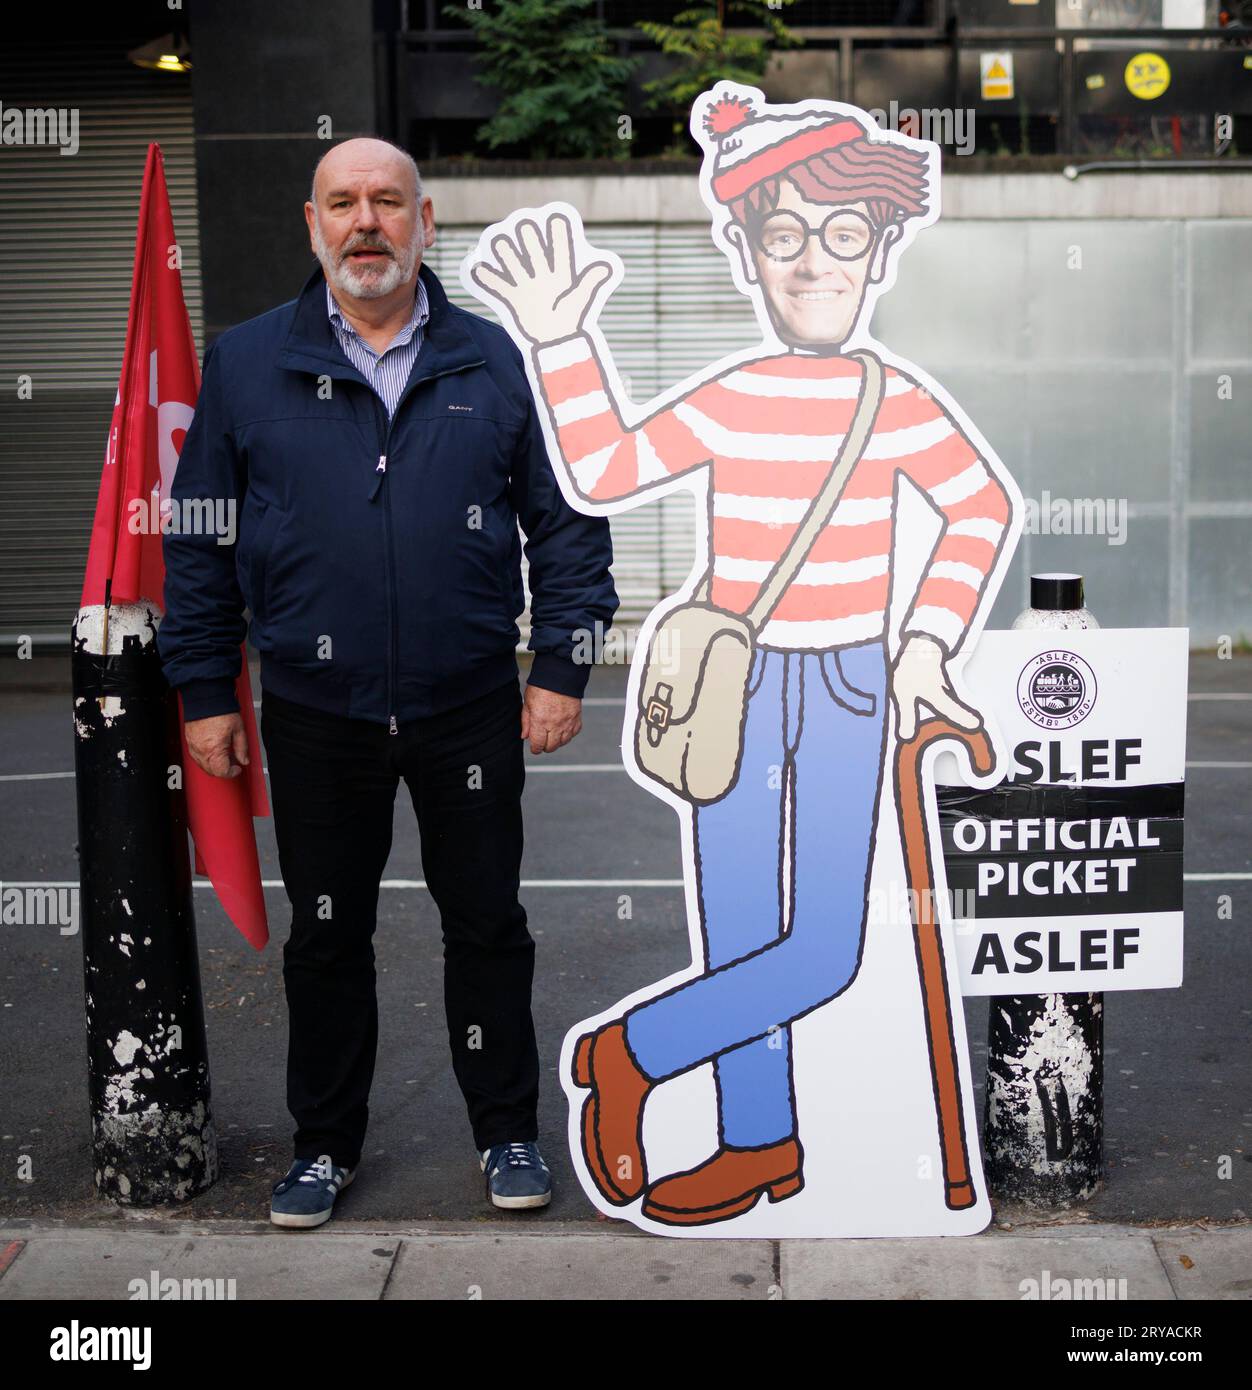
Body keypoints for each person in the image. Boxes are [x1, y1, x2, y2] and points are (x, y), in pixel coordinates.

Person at [472, 92, 1017, 1226]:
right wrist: (562, 339)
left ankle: (631, 1053)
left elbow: (976, 509)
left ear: (878, 252)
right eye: (783, 237)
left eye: (841, 236)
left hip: (851, 678)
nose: (812, 263)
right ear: (749, 255)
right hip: (729, 676)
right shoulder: (733, 392)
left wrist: (923, 645)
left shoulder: (894, 396)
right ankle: (756, 1143)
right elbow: (610, 469)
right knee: (737, 925)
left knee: (818, 948)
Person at [158, 136, 617, 1227]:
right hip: (318, 716)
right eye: (343, 204)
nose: (367, 223)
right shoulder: (246, 361)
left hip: (467, 706)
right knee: (326, 934)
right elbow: (198, 537)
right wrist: (204, 688)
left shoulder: (497, 359)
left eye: (387, 203)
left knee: (488, 924)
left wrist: (561, 663)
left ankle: (507, 1131)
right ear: (311, 223)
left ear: (425, 219)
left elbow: (569, 524)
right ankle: (323, 1146)